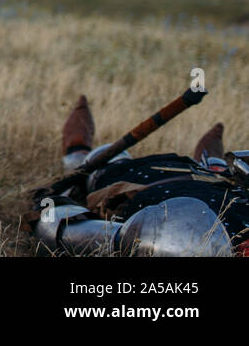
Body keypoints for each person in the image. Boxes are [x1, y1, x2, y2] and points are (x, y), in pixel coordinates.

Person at [29, 94, 248, 256]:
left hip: (142, 188)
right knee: (211, 167)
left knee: (103, 169)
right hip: (209, 176)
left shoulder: (200, 242)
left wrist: (55, 215)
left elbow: (156, 238)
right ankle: (209, 159)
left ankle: (79, 155)